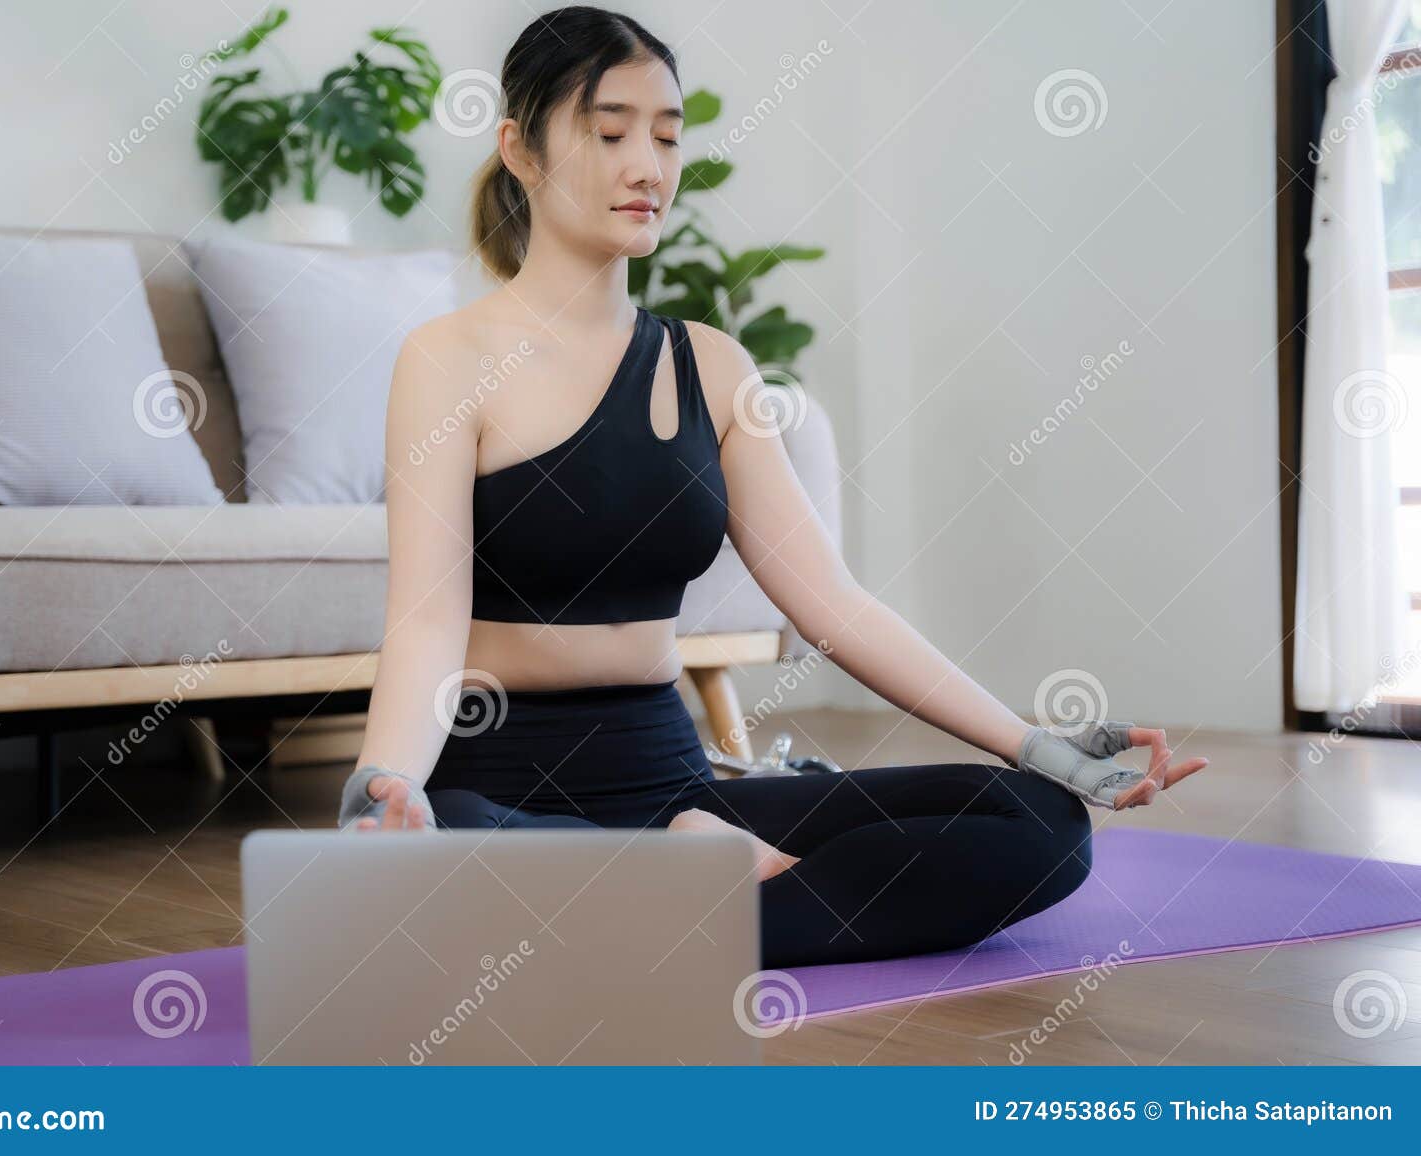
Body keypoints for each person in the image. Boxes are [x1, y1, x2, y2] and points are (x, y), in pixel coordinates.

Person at [338, 6, 1208, 969]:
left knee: (1033, 821)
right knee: (455, 841)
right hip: (496, 788)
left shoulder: (713, 367)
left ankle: (661, 887)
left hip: (670, 783)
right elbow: (423, 623)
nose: (648, 167)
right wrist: (386, 786)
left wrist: (1032, 742)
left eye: (667, 137)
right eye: (610, 129)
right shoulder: (446, 360)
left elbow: (831, 602)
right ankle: (669, 886)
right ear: (521, 149)